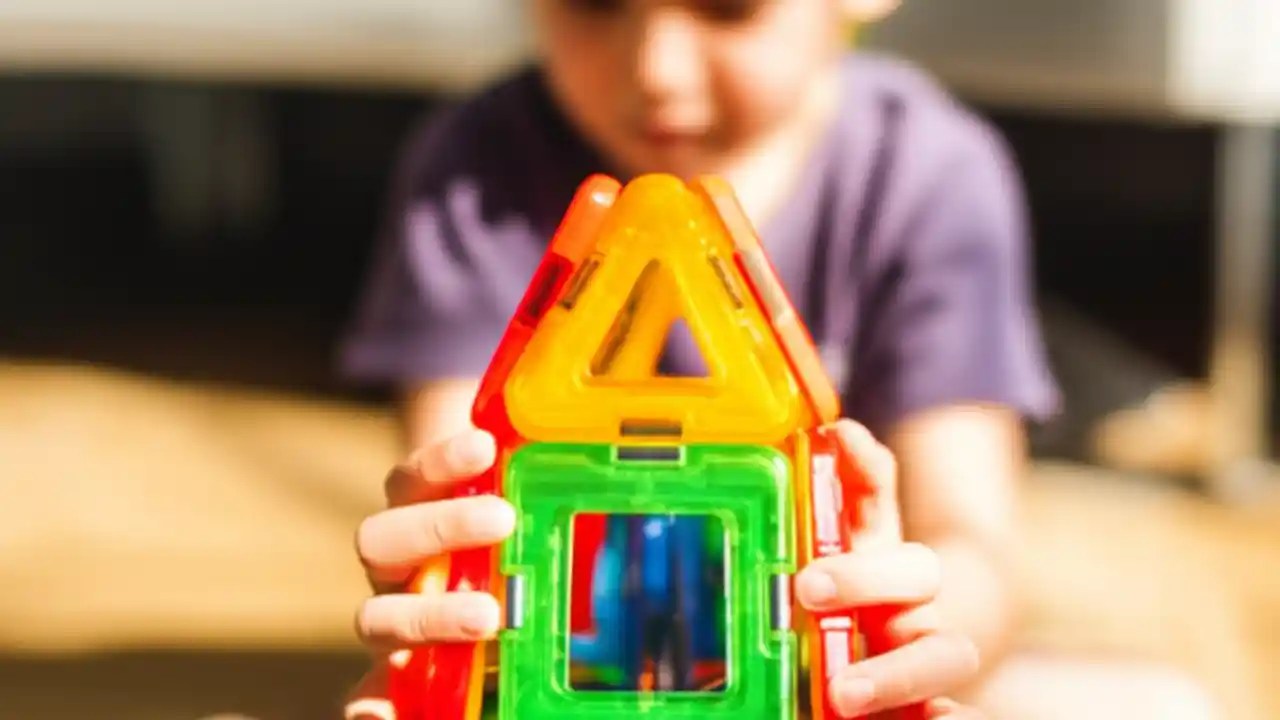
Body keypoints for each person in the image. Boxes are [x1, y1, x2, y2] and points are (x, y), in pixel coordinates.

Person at [338, 0, 1063, 717]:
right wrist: (442, 619)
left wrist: (908, 634)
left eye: (728, 9)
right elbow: (464, 488)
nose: (658, 70)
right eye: (595, 3)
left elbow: (971, 538)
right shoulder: (474, 170)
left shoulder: (931, 172)